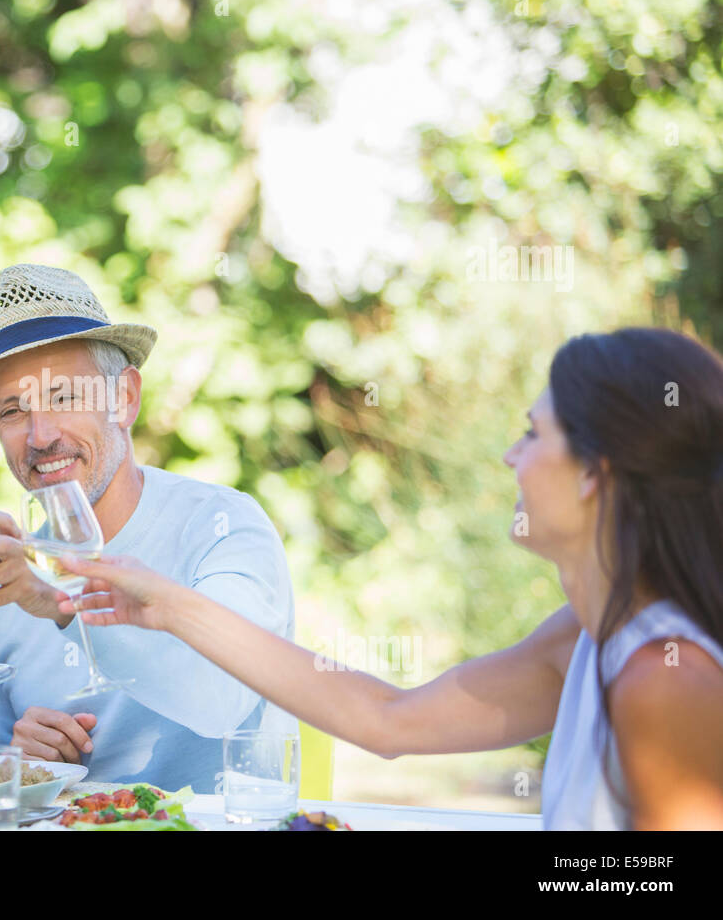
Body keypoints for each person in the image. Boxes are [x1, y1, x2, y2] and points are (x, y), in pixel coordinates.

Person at [53, 328, 723, 830]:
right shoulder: (586, 637)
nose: (508, 455)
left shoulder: (665, 676)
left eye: (532, 435)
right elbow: (387, 719)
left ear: (592, 474)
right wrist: (168, 606)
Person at [0, 264, 293, 792]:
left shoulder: (223, 528)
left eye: (63, 396)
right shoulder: (5, 569)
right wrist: (18, 759)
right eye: (12, 410)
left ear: (123, 398)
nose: (40, 435)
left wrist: (62, 607)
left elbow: (217, 700)